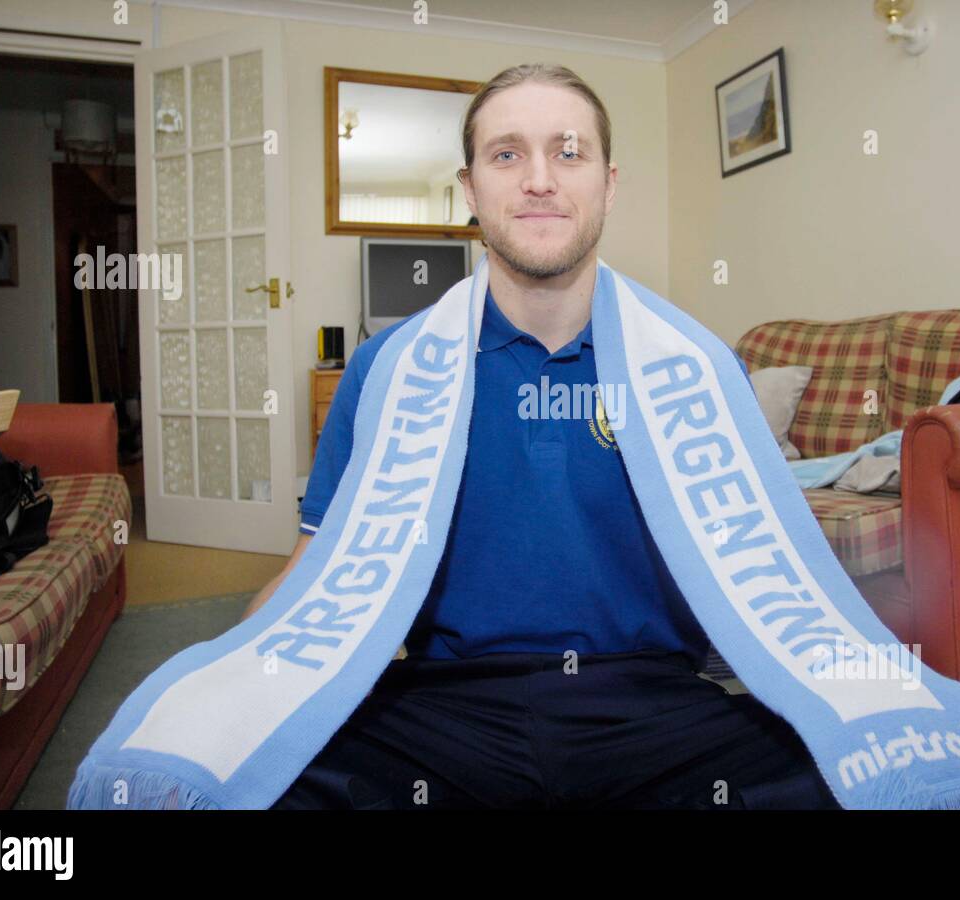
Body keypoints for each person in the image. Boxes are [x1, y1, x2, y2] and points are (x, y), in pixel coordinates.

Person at [247, 63, 840, 810]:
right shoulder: (387, 370)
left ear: (609, 184)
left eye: (568, 152)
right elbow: (311, 576)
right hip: (439, 706)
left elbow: (782, 584)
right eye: (506, 154)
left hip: (652, 702)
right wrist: (228, 684)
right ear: (470, 191)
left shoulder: (695, 368)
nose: (538, 179)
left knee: (857, 780)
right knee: (254, 783)